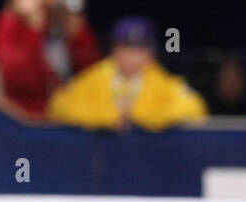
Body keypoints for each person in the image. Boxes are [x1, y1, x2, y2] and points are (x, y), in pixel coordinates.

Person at [47, 15, 208, 132]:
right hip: (98, 159)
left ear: (151, 53)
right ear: (114, 50)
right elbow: (60, 105)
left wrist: (138, 115)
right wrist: (109, 116)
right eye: (126, 49)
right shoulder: (96, 77)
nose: (131, 57)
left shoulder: (162, 81)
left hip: (150, 158)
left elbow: (194, 108)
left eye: (139, 50)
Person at [0, 0, 100, 116]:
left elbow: (93, 75)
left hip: (72, 114)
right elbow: (14, 77)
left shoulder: (76, 32)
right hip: (27, 115)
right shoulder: (16, 23)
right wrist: (33, 28)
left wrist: (78, 37)